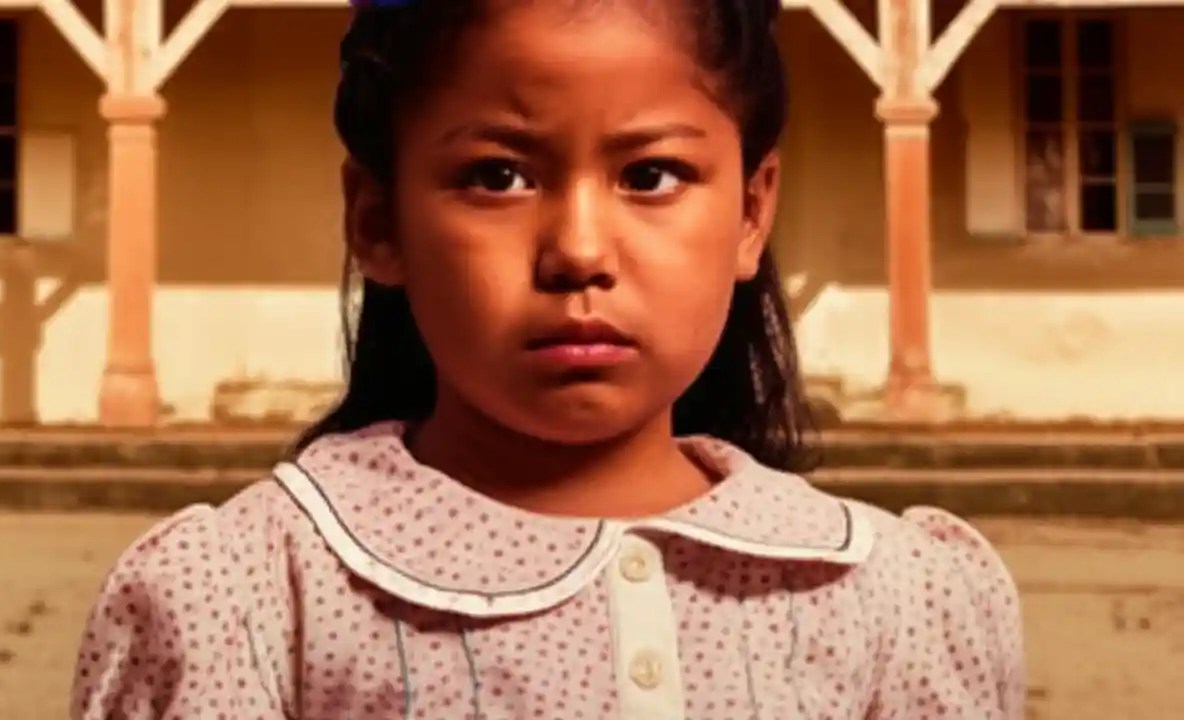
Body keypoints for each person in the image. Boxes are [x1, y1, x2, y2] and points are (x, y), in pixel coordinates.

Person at [72, 0, 1026, 717]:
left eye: (651, 175)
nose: (578, 250)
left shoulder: (889, 595)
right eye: (498, 176)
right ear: (377, 219)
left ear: (749, 212)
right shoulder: (245, 597)